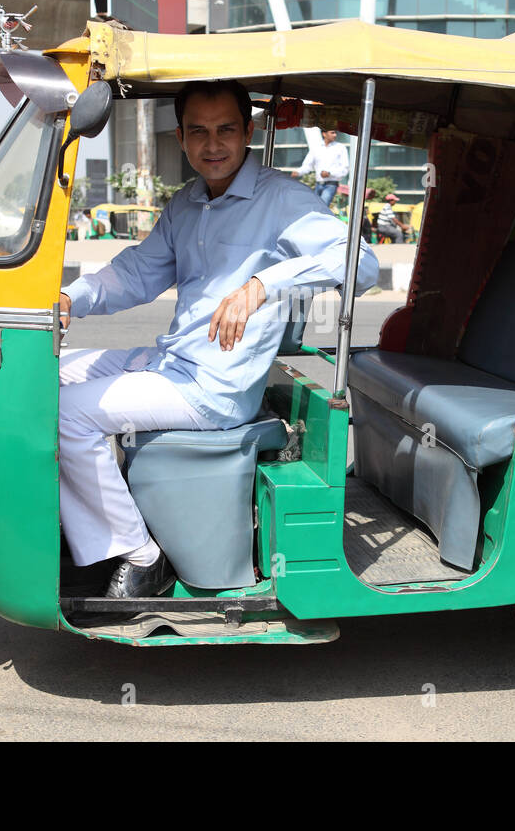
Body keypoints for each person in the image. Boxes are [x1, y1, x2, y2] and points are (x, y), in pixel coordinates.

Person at [57, 80, 379, 601]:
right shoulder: (187, 204)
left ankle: (141, 556)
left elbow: (360, 263)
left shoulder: (281, 199)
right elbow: (136, 275)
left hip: (213, 389)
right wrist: (70, 299)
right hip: (171, 361)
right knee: (44, 373)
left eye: (226, 129)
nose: (213, 145)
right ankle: (83, 520)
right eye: (199, 132)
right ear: (181, 137)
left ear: (247, 130)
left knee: (67, 414)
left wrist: (262, 284)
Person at [291, 128, 348, 207]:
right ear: (324, 134)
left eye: (335, 133)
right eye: (332, 133)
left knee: (322, 207)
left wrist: (329, 173)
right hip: (318, 184)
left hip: (331, 185)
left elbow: (344, 169)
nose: (335, 135)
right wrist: (298, 172)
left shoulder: (340, 148)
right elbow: (307, 165)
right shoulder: (316, 147)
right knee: (315, 207)